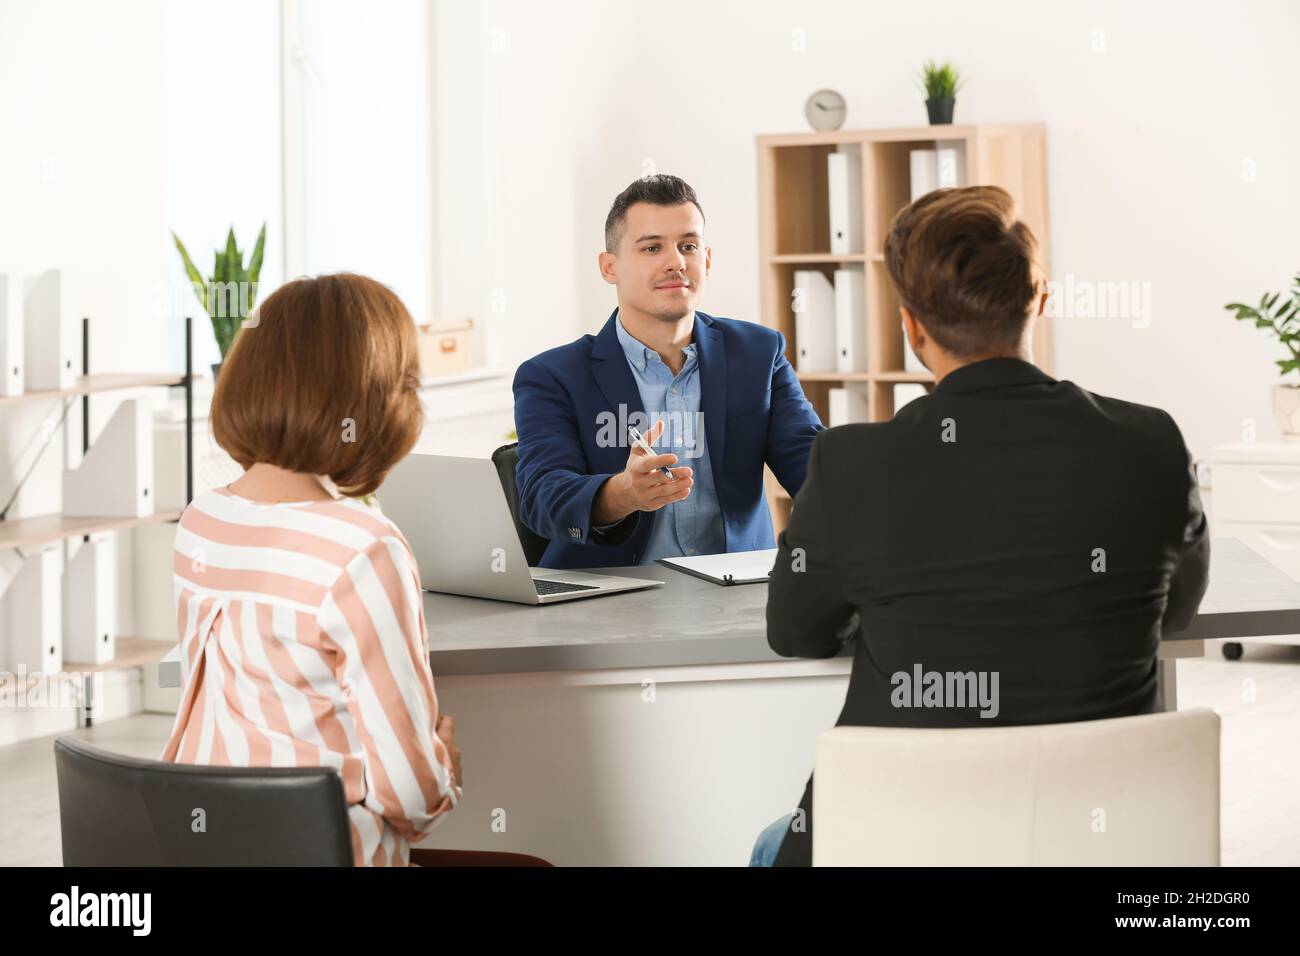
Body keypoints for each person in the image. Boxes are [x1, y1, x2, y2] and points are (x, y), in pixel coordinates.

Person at [753, 186, 1210, 867]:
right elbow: (1175, 610)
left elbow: (795, 633)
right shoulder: (1153, 443)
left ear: (911, 328)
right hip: (1103, 844)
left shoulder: (851, 463)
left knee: (771, 845)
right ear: (1040, 301)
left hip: (896, 842)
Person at [162, 273, 544, 867]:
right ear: (377, 401)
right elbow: (411, 802)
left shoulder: (201, 521)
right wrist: (442, 765)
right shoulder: (365, 548)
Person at [512, 174, 823, 569]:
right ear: (610, 267)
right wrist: (623, 492)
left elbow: (812, 466)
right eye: (652, 247)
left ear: (706, 261)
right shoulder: (552, 376)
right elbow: (542, 498)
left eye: (688, 246)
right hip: (609, 604)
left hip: (734, 599)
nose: (675, 262)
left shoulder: (759, 353)